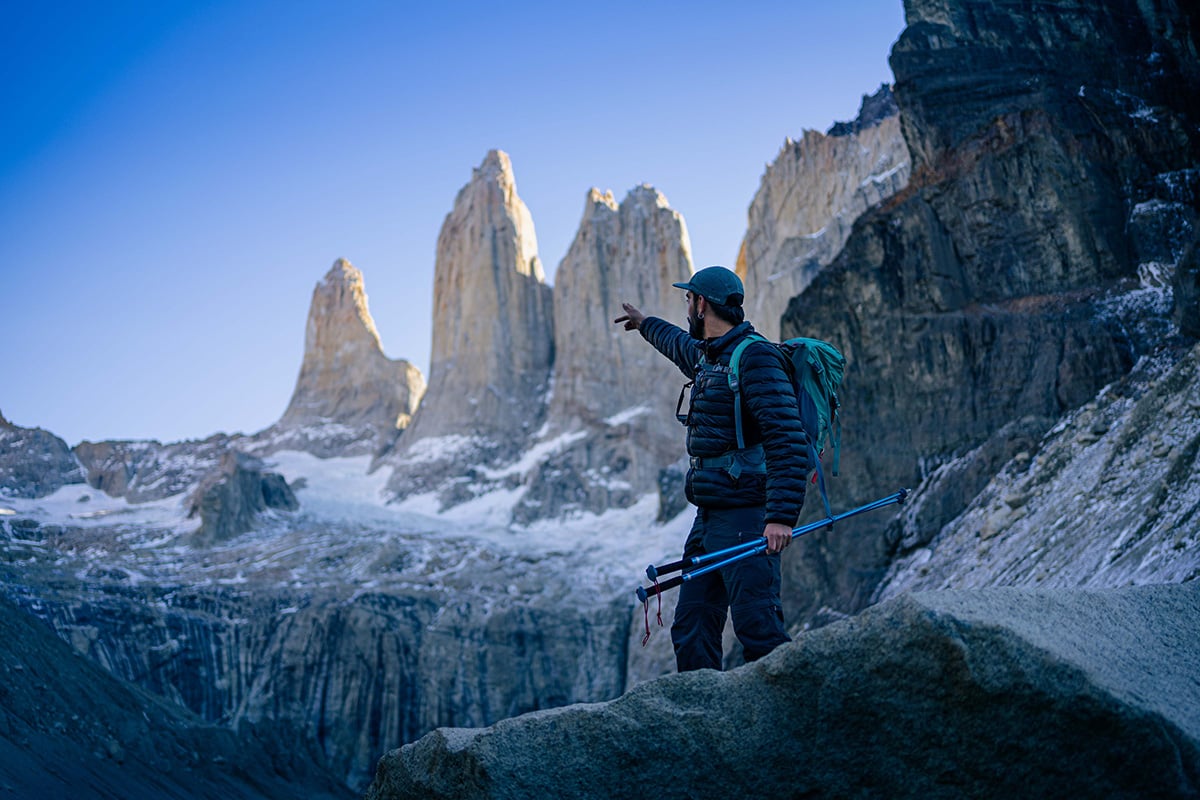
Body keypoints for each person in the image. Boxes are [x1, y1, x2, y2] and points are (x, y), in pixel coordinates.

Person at [615, 265, 810, 672]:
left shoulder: (755, 358)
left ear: (701, 304)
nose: (687, 306)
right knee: (692, 628)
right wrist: (646, 324)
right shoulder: (711, 357)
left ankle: (794, 709)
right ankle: (702, 711)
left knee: (758, 627)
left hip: (747, 515)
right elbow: (678, 344)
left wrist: (779, 517)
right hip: (710, 517)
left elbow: (787, 438)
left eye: (689, 298)